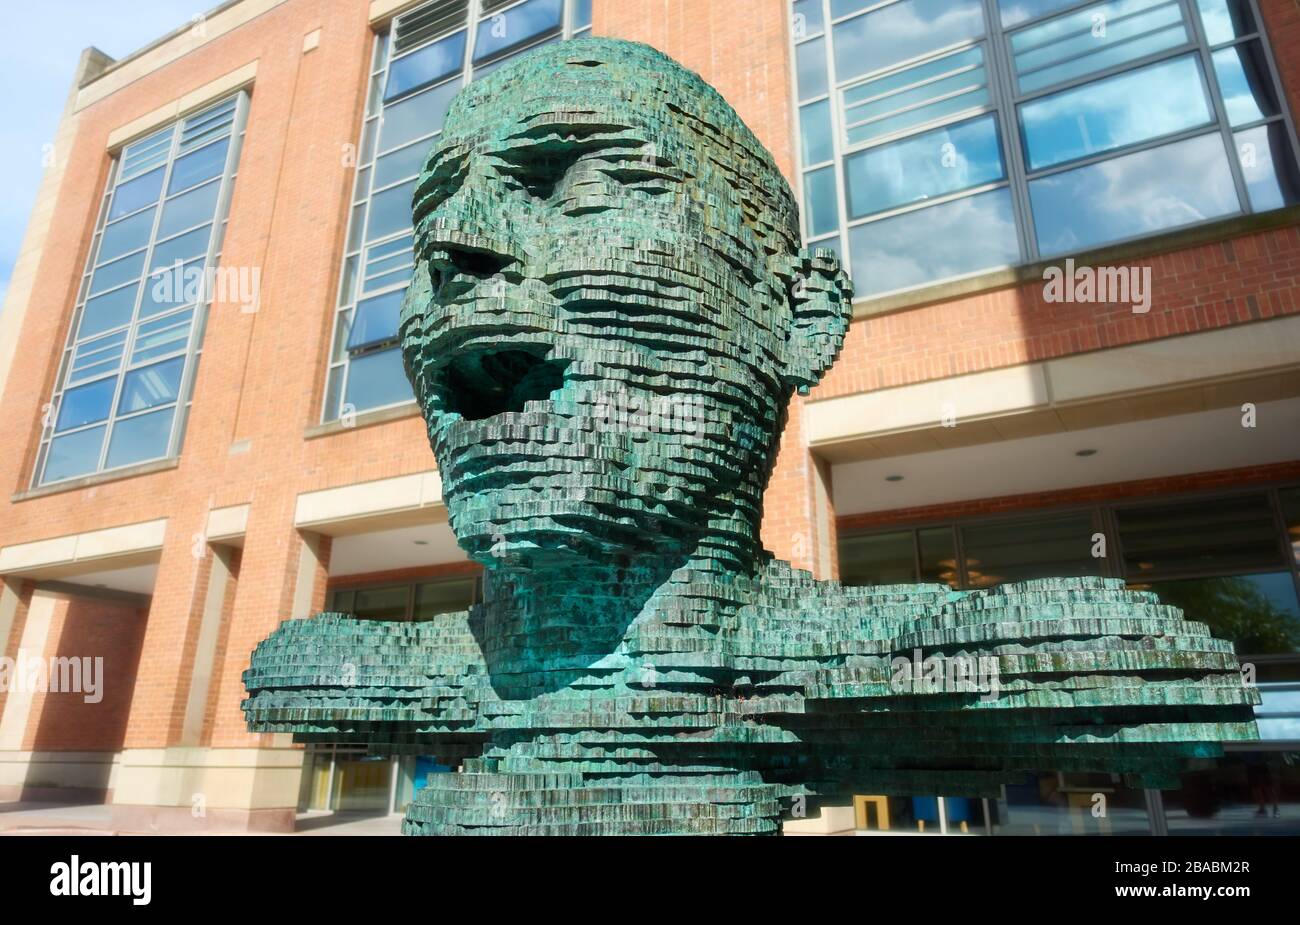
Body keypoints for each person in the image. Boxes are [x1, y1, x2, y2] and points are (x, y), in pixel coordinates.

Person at [245, 38, 1259, 835]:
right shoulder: (321, 670)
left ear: (796, 320)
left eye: (578, 184)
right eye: (432, 222)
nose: (452, 249)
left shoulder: (1039, 657)